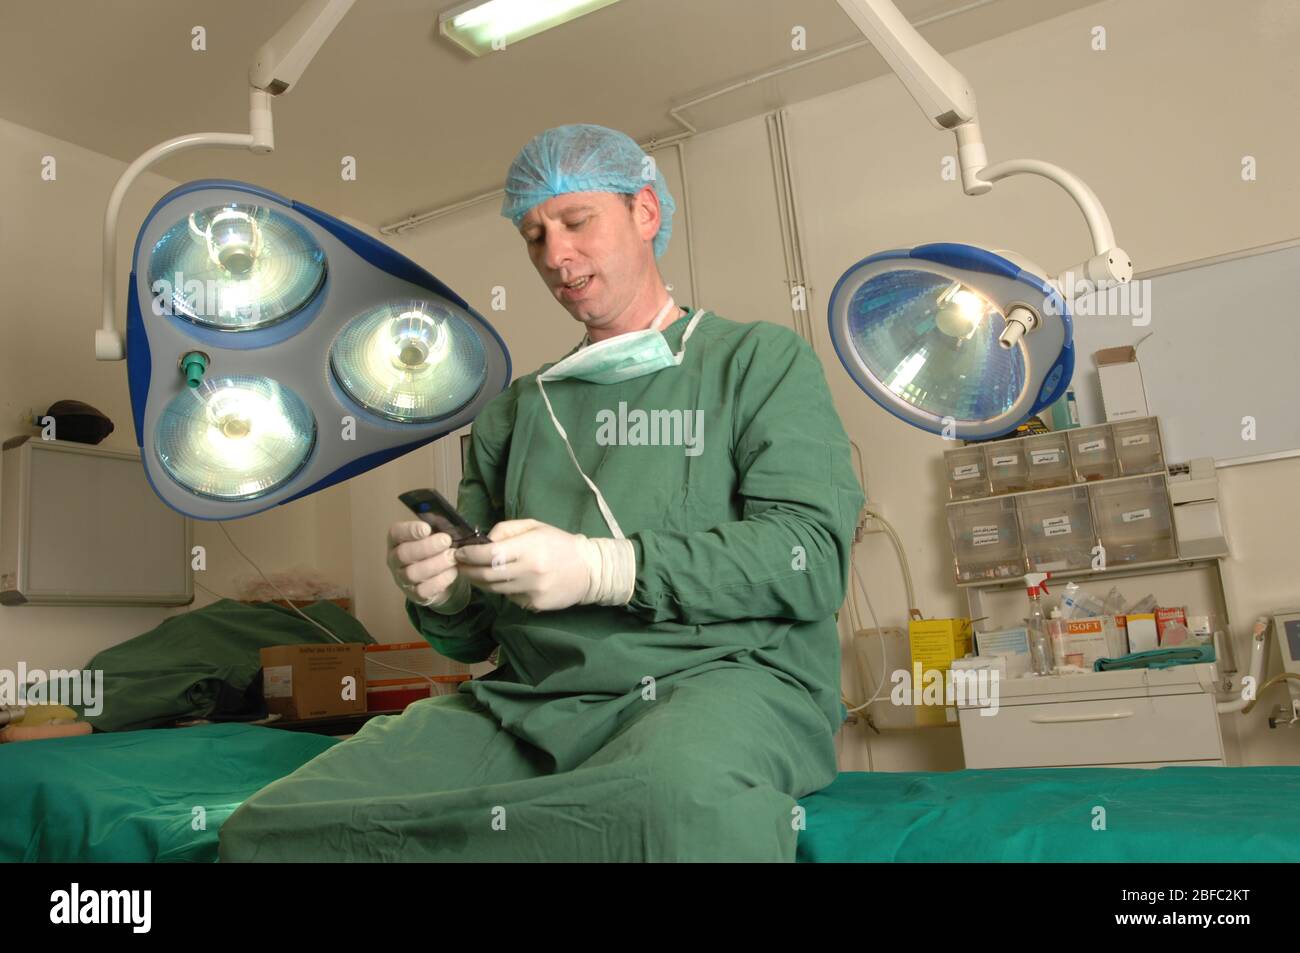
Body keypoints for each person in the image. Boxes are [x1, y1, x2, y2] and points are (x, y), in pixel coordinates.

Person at [218, 123, 864, 862]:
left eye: (576, 221)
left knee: (671, 809)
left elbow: (809, 558)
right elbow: (475, 638)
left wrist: (604, 567)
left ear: (646, 212)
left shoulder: (757, 362)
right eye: (534, 236)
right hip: (529, 702)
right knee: (274, 828)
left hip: (719, 685)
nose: (556, 256)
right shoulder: (516, 412)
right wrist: (444, 593)